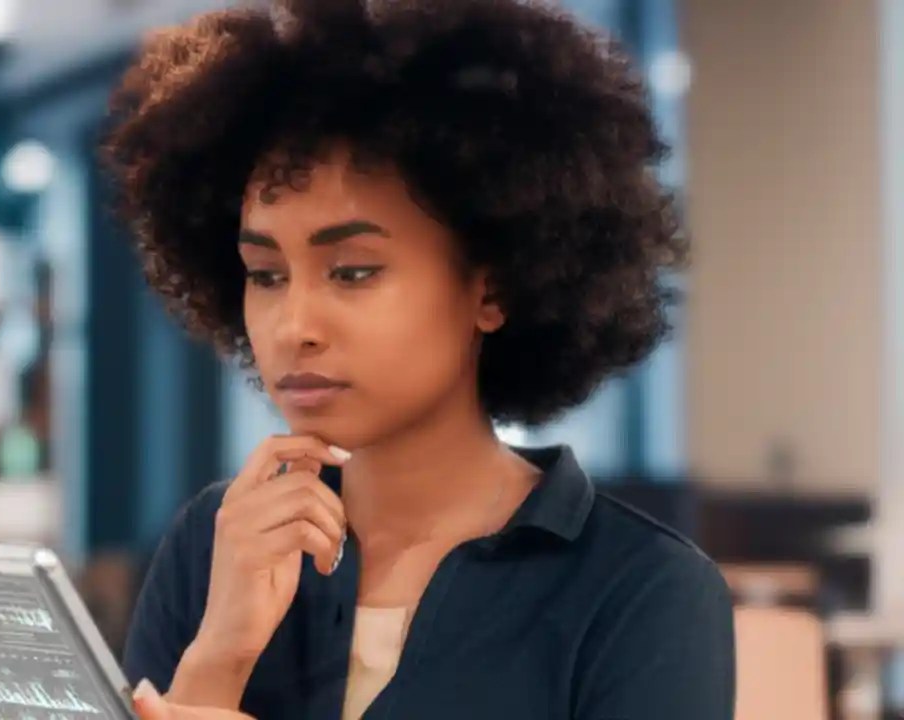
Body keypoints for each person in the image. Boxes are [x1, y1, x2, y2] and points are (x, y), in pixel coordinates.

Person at [98, 0, 735, 718]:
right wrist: (220, 655)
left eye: (354, 271)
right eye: (266, 275)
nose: (294, 326)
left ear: (490, 287)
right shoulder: (212, 546)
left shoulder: (641, 591)